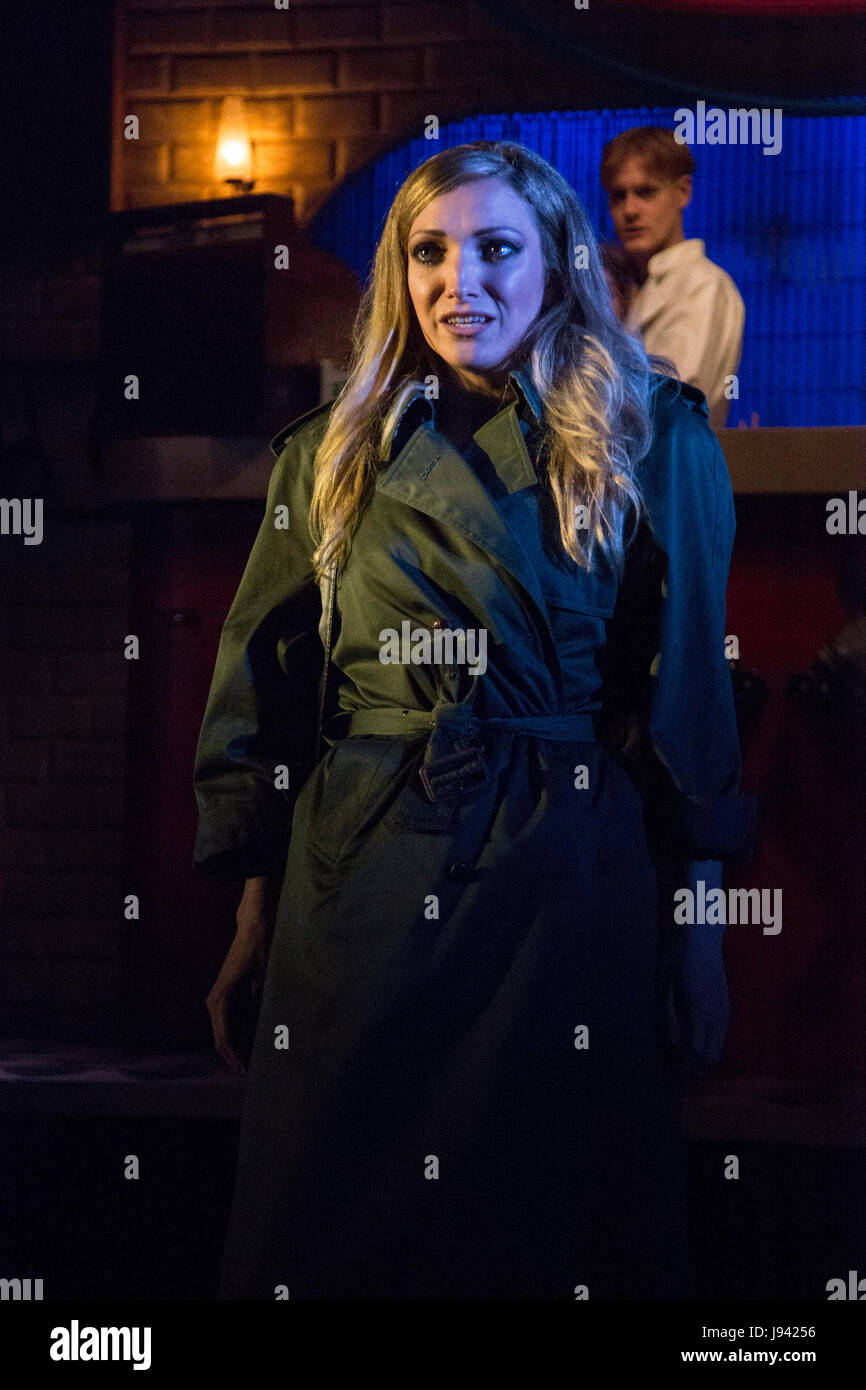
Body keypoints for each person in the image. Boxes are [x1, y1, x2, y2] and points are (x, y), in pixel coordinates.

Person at [193, 140, 756, 1301]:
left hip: (566, 881)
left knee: (547, 1226)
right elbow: (268, 694)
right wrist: (254, 919)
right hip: (357, 887)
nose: (461, 282)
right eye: (429, 252)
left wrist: (694, 939)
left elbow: (685, 707)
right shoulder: (330, 452)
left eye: (497, 248)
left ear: (555, 261)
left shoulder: (653, 439)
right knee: (330, 1227)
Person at [602, 126, 745, 431]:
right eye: (618, 196)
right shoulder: (630, 287)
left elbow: (666, 405)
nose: (630, 210)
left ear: (683, 192)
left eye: (646, 192)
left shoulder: (702, 286)